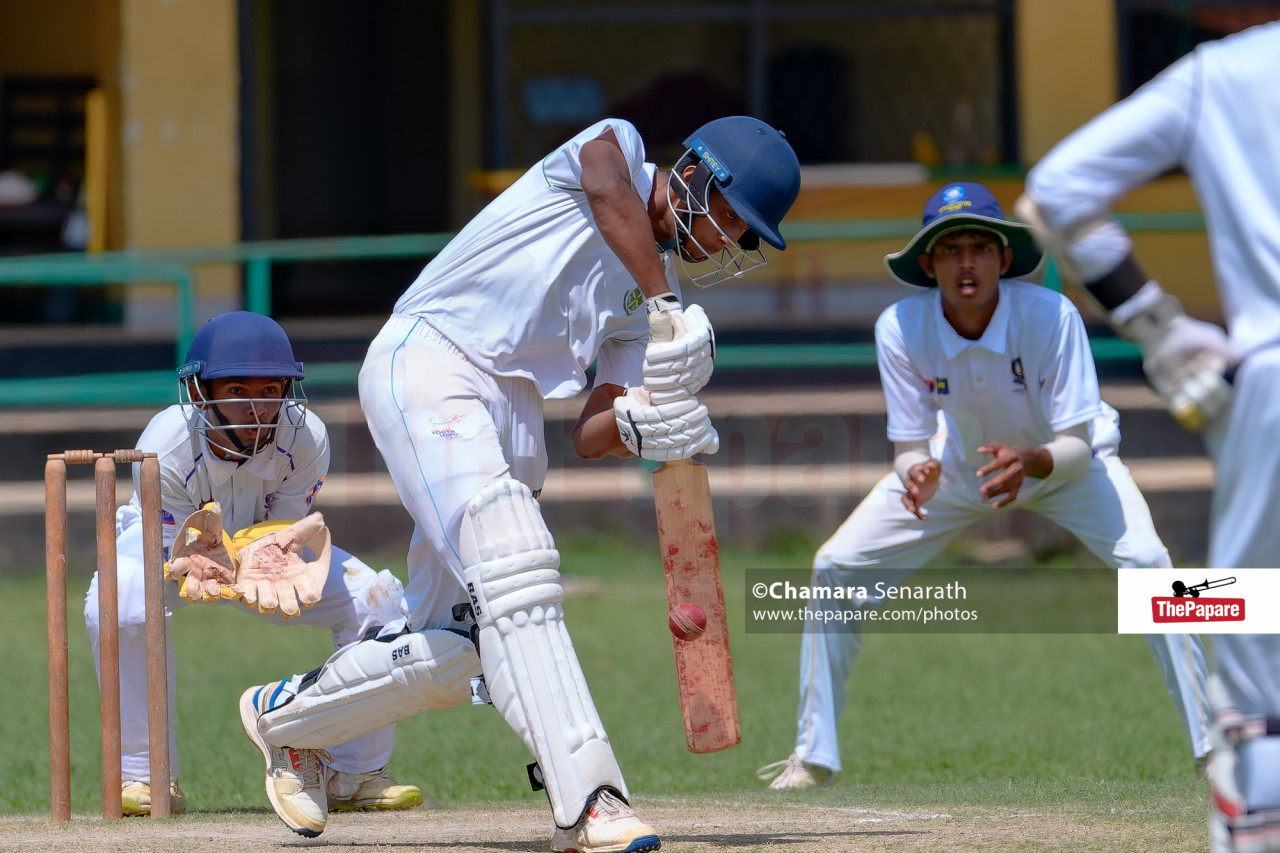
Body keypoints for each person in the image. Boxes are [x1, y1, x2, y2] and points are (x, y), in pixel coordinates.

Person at [235, 115, 802, 848]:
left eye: (743, 234)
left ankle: (288, 720)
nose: (727, 239)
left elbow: (591, 431)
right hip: (434, 357)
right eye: (729, 215)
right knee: (516, 562)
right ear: (694, 171)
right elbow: (605, 184)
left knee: (460, 645)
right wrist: (666, 305)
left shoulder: (644, 313)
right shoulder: (617, 150)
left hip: (515, 411)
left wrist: (640, 424)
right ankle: (592, 797)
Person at [756, 182, 1211, 791]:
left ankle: (1216, 751)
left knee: (1152, 567)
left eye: (978, 247)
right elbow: (910, 446)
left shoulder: (1052, 316)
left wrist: (1032, 460)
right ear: (928, 264)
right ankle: (812, 758)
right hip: (962, 471)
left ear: (1003, 258)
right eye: (949, 250)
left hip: (1070, 467)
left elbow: (1077, 445)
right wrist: (914, 474)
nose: (965, 262)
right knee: (835, 565)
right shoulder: (899, 326)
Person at [1017, 20, 1280, 853]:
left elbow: (1054, 190)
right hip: (1026, 467)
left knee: (1248, 659)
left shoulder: (1220, 74)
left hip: (1262, 383)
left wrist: (1157, 326)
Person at [84, 311, 421, 816]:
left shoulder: (307, 438)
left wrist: (268, 556)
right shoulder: (165, 444)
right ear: (200, 392)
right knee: (121, 602)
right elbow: (182, 549)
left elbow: (282, 534)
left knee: (378, 598)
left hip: (261, 553)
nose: (256, 407)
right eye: (237, 388)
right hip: (171, 548)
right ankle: (146, 777)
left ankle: (356, 773)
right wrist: (206, 558)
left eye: (269, 390)